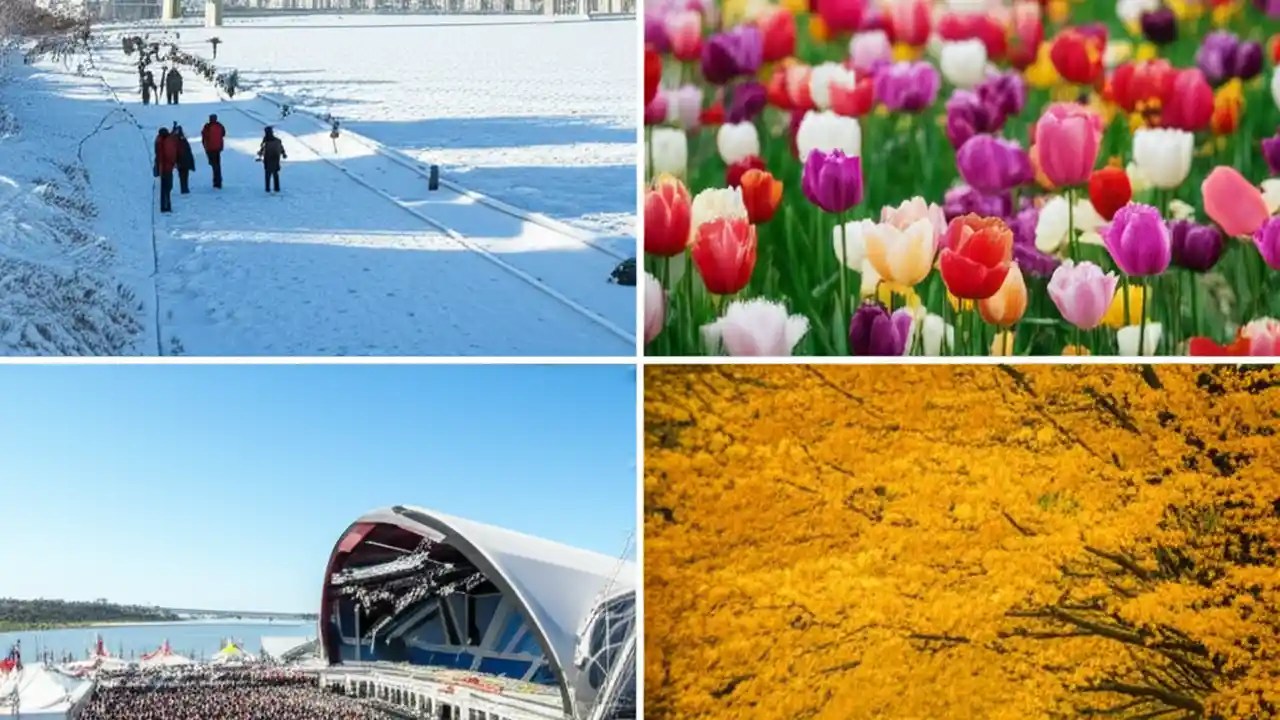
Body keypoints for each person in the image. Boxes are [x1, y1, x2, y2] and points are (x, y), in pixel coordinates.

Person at [154, 127, 178, 213]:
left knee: (164, 187)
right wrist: (173, 162)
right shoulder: (166, 141)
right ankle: (166, 206)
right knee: (167, 187)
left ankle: (164, 206)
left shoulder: (159, 140)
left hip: (162, 167)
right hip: (167, 167)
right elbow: (169, 154)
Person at [257, 127, 287, 193]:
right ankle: (277, 188)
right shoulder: (277, 140)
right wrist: (284, 154)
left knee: (268, 174)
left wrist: (260, 154)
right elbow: (281, 148)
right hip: (276, 158)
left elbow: (262, 149)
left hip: (268, 159)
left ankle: (267, 188)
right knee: (275, 174)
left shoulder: (266, 141)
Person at [201, 114, 226, 189]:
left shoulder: (207, 126)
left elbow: (204, 135)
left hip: (210, 148)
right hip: (218, 148)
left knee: (214, 165)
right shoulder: (219, 125)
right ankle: (218, 181)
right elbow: (223, 133)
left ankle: (216, 182)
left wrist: (205, 145)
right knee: (217, 165)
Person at [174, 126, 196, 194]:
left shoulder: (175, 140)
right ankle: (185, 188)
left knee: (181, 175)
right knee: (185, 175)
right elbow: (189, 151)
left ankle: (183, 188)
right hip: (186, 160)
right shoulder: (184, 140)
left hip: (179, 160)